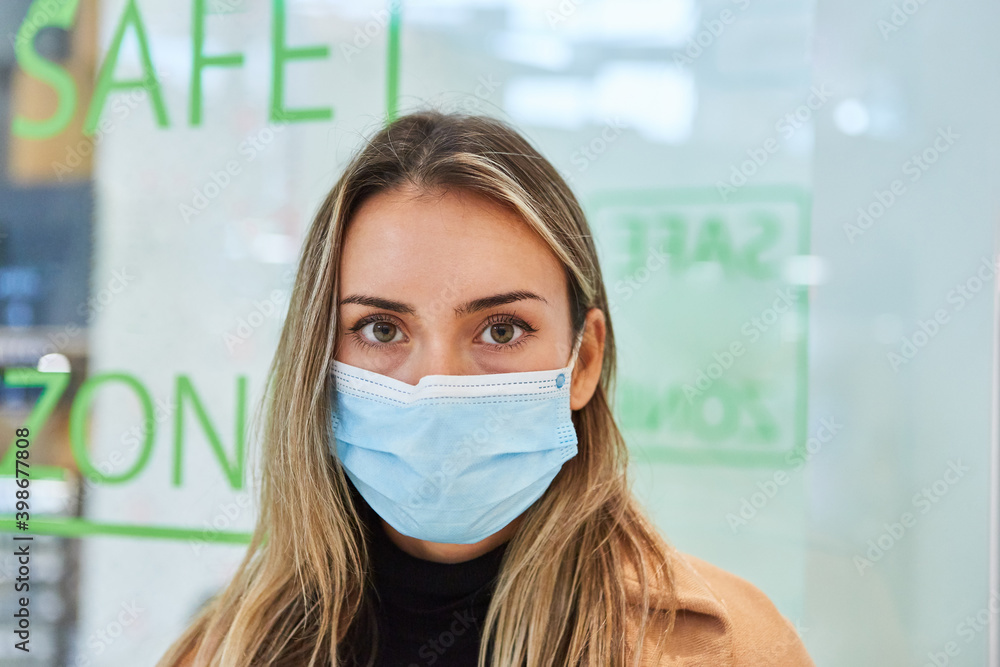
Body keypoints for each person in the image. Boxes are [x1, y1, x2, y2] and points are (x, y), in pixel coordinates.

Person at [157, 110, 815, 666]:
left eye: (501, 330)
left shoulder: (735, 647)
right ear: (318, 358)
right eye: (382, 329)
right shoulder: (220, 650)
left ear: (583, 361)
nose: (438, 385)